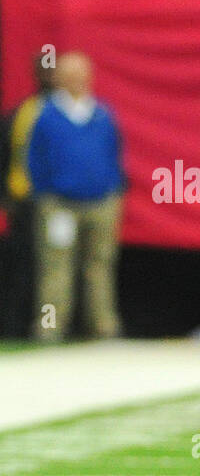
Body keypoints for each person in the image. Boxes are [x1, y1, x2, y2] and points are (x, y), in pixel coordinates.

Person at [27, 52, 125, 342]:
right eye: (69, 74)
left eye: (81, 74)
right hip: (59, 205)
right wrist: (47, 195)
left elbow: (113, 155)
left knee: (100, 268)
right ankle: (50, 327)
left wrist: (112, 190)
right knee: (55, 269)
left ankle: (104, 327)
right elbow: (34, 160)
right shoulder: (46, 114)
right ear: (58, 78)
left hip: (100, 203)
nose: (77, 80)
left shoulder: (102, 114)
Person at [1, 56, 55, 339]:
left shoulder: (63, 113)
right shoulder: (23, 112)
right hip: (23, 202)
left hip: (57, 202)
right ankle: (13, 326)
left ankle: (49, 327)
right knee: (20, 267)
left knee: (52, 269)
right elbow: (7, 154)